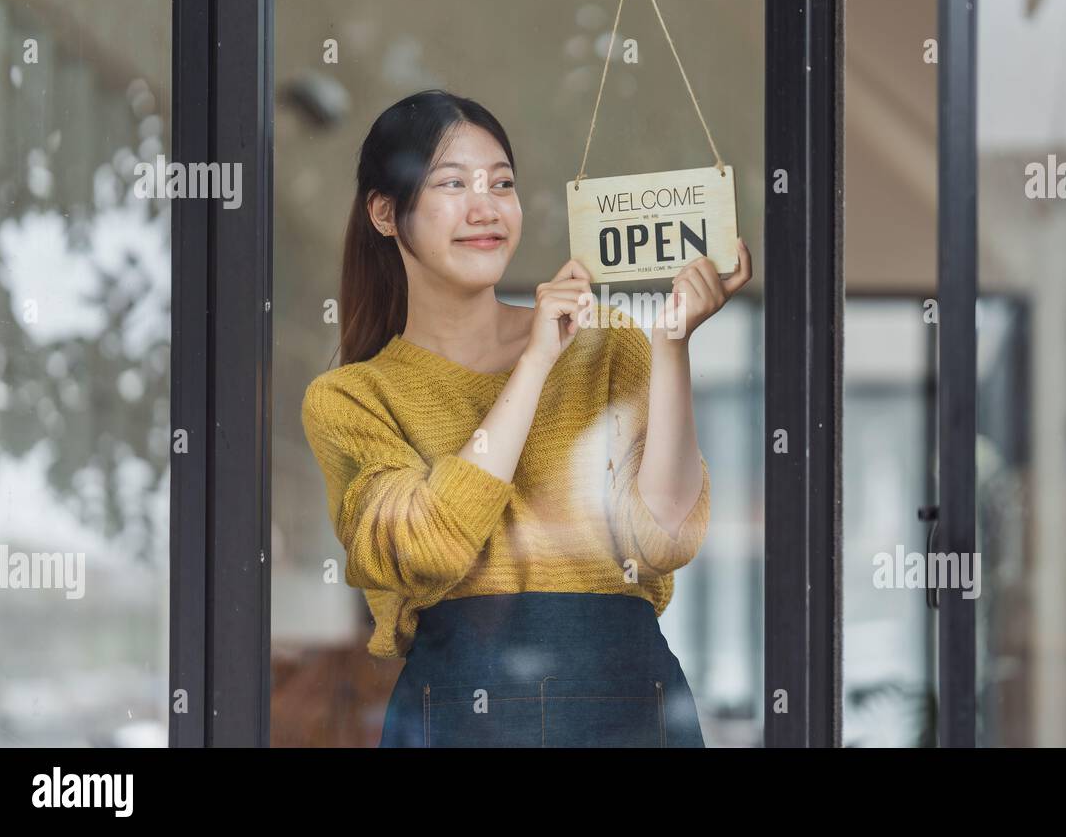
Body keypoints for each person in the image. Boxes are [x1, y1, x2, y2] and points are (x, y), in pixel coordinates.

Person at [300, 89, 751, 747]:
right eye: (451, 182)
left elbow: (664, 539)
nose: (484, 207)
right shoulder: (352, 398)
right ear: (385, 212)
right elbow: (426, 548)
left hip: (624, 703)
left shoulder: (610, 345)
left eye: (501, 183)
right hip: (458, 711)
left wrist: (673, 344)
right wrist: (536, 362)